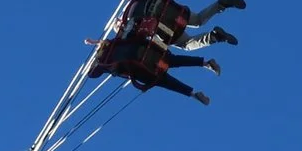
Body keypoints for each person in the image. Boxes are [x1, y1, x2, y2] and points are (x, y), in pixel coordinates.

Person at [85, 32, 220, 103]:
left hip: (143, 67)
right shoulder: (112, 45)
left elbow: (94, 74)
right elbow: (126, 38)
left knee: (163, 80)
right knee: (173, 61)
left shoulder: (105, 62)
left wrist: (142, 85)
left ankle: (193, 94)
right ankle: (205, 63)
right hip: (147, 54)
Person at [122, 0, 246, 49]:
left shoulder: (132, 23)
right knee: (198, 20)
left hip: (164, 27)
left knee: (185, 44)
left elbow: (148, 37)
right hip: (173, 11)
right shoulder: (143, 0)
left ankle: (214, 36)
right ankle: (220, 5)